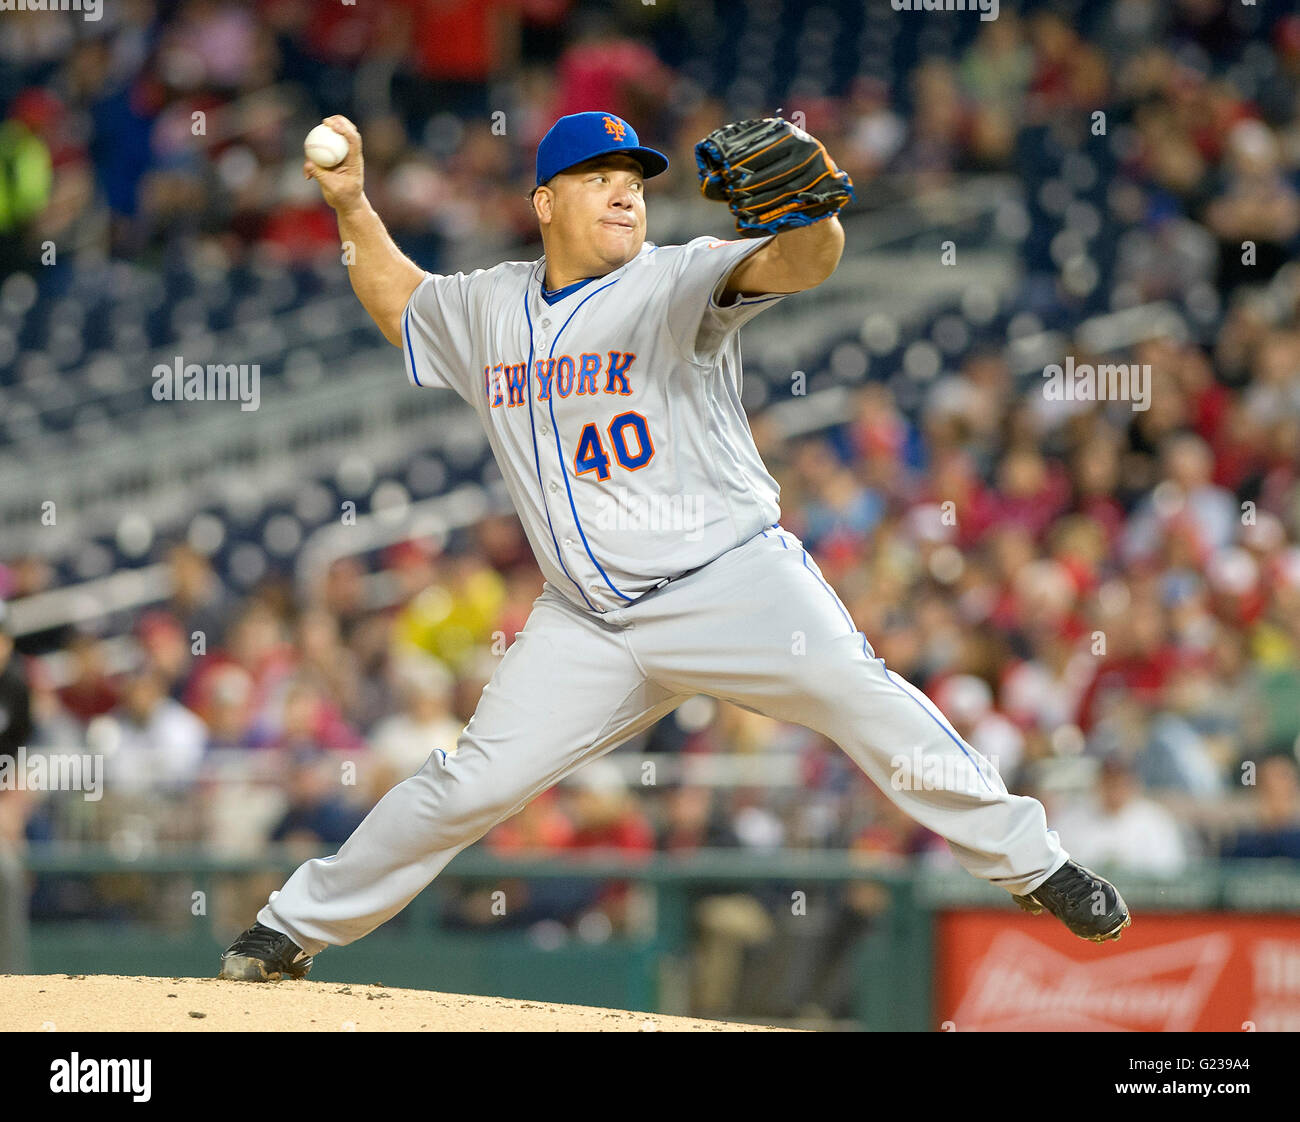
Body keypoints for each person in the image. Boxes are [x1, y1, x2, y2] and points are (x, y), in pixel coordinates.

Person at [219, 110, 1130, 982]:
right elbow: (402, 306)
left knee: (859, 695)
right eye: (599, 179)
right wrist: (350, 207)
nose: (625, 196)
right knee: (467, 785)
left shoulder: (676, 278)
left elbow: (800, 261)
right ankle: (288, 929)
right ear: (544, 203)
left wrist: (813, 212)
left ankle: (1037, 866)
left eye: (636, 184)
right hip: (588, 622)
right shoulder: (490, 304)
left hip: (729, 583)